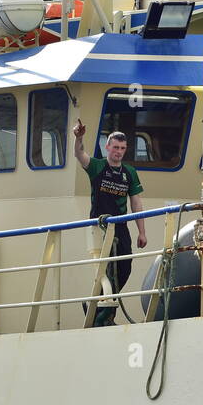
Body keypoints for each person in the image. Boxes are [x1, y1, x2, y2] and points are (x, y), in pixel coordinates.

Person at [72, 121, 148, 326]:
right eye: (115, 147)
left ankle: (96, 306)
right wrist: (78, 137)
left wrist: (142, 232)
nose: (119, 152)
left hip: (120, 226)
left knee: (125, 268)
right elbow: (79, 155)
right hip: (100, 226)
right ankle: (103, 314)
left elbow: (136, 202)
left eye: (123, 148)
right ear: (108, 147)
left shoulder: (129, 172)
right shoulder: (97, 166)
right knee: (105, 270)